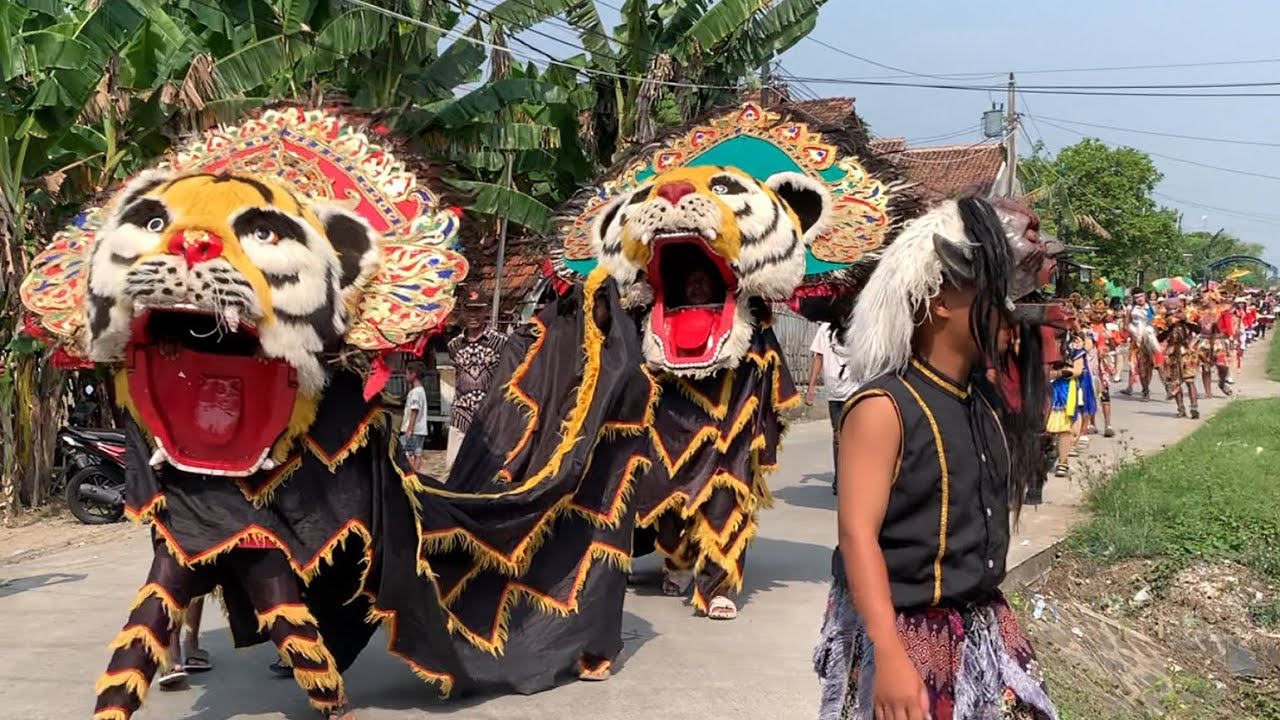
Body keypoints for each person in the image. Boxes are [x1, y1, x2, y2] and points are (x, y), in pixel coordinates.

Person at [814, 197, 1057, 720]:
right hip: (907, 637)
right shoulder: (884, 408)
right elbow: (857, 536)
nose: (1014, 314)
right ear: (942, 299)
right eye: (998, 295)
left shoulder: (984, 402)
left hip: (983, 627)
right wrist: (891, 657)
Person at [446, 289, 507, 466]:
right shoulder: (454, 345)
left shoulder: (501, 342)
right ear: (463, 312)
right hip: (461, 415)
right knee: (454, 466)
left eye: (478, 310)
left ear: (486, 310)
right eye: (469, 310)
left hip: (490, 417)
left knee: (487, 469)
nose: (473, 315)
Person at [806, 303, 856, 495]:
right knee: (838, 437)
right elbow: (818, 357)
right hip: (834, 391)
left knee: (855, 436)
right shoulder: (824, 329)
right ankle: (840, 479)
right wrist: (811, 386)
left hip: (855, 389)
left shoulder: (858, 327)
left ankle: (856, 478)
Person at [1123, 288, 1157, 400]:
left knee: (1151, 365)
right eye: (1136, 297)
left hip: (1152, 338)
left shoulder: (1151, 307)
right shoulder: (1130, 309)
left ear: (1145, 296)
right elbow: (1126, 324)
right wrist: (1134, 333)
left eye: (1141, 296)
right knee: (1141, 365)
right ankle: (1145, 390)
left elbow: (1157, 322)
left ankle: (1166, 386)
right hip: (1137, 341)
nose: (1139, 299)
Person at [400, 362, 429, 466]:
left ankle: (413, 474)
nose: (406, 376)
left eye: (407, 373)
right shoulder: (421, 391)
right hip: (420, 430)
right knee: (417, 454)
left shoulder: (415, 393)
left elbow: (414, 411)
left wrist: (409, 429)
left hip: (413, 430)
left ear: (413, 374)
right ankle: (418, 474)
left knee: (407, 454)